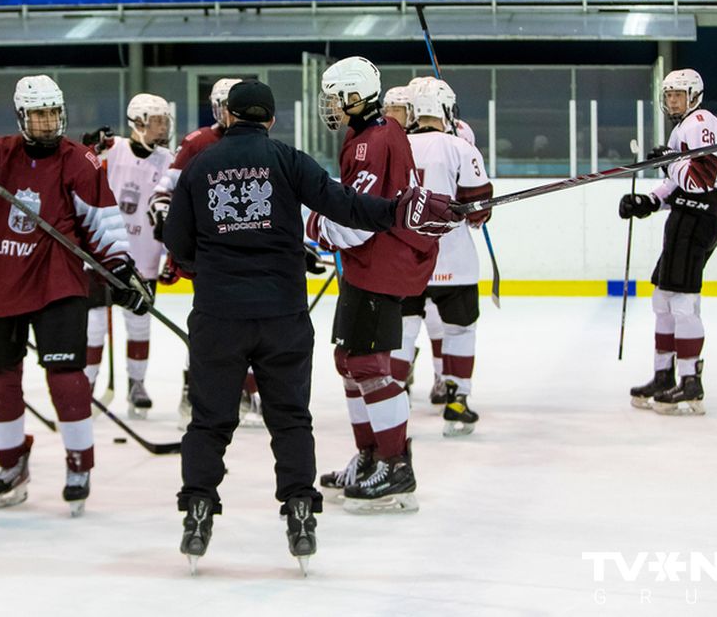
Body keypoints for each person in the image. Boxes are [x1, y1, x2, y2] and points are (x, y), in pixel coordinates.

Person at [164, 79, 460, 574]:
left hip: (218, 317)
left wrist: (213, 267)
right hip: (282, 315)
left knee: (209, 420)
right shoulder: (287, 159)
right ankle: (300, 510)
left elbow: (179, 242)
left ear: (230, 118)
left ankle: (198, 508)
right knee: (290, 419)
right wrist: (399, 212)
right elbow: (344, 205)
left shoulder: (199, 166)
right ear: (271, 120)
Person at [0, 74, 147, 516]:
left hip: (58, 284)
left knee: (66, 379)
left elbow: (101, 222)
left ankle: (79, 464)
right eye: (38, 114)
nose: (47, 123)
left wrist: (121, 270)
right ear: (22, 117)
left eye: (52, 113)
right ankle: (11, 464)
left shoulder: (80, 160)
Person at [307, 56, 458, 514]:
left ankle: (395, 465)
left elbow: (359, 221)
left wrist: (311, 229)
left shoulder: (373, 142)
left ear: (358, 97)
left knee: (369, 363)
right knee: (349, 360)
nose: (330, 105)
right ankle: (371, 454)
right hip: (368, 264)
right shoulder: (369, 135)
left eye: (337, 97)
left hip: (379, 264)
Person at [147, 77, 266, 429]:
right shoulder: (198, 142)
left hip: (247, 252)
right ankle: (194, 388)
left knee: (252, 325)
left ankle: (249, 391)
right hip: (209, 253)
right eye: (225, 108)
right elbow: (164, 191)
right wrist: (169, 228)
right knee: (211, 327)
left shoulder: (256, 140)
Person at [622, 68, 717, 416]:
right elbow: (678, 183)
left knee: (683, 304)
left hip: (702, 217)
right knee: (663, 298)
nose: (672, 101)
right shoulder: (681, 129)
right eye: (668, 95)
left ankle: (690, 382)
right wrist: (650, 202)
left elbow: (699, 181)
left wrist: (667, 165)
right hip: (685, 215)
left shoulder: (702, 122)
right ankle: (663, 375)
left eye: (678, 95)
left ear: (694, 95)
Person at [389, 78, 493, 436]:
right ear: (446, 109)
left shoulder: (394, 145)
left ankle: (394, 399)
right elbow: (480, 211)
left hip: (405, 262)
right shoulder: (460, 148)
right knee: (459, 331)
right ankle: (456, 399)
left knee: (402, 331)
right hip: (455, 263)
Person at [83, 93, 175, 419]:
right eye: (157, 120)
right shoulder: (113, 149)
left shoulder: (169, 159)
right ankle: (87, 387)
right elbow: (84, 166)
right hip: (103, 255)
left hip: (144, 259)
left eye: (166, 120)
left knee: (139, 325)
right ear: (138, 123)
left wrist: (172, 256)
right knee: (93, 326)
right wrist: (88, 149)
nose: (163, 127)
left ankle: (137, 384)